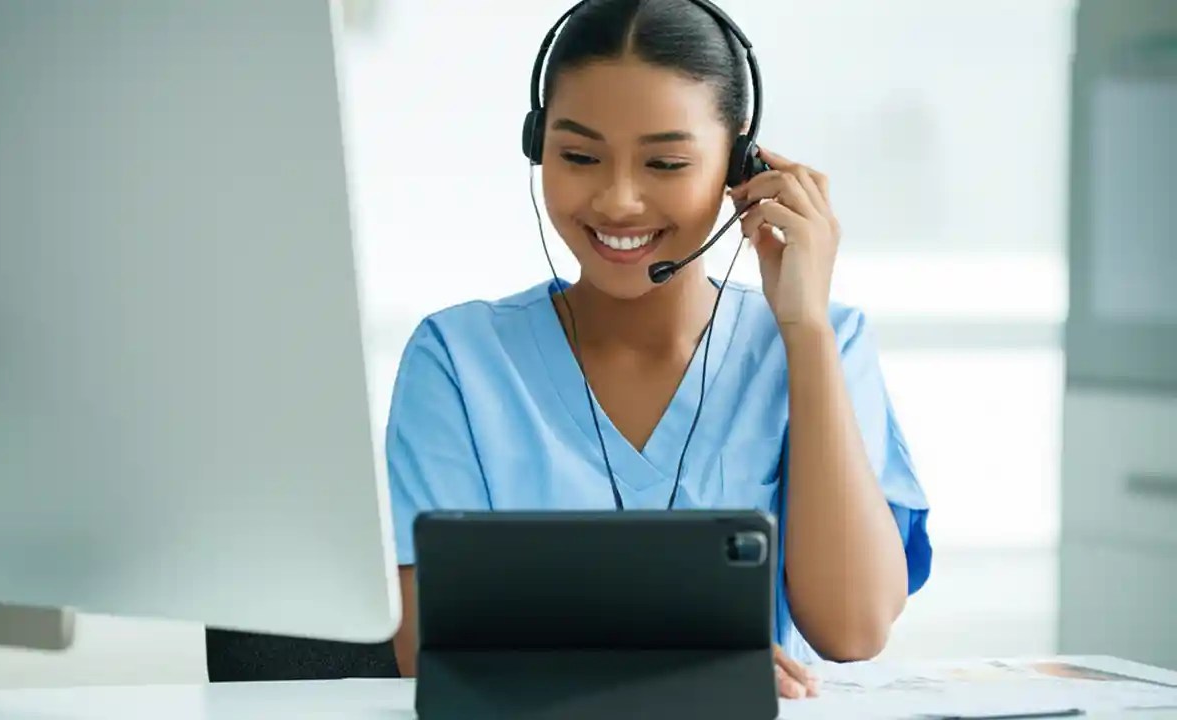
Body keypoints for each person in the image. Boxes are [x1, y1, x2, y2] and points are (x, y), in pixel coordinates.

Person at [382, 0, 932, 700]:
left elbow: (851, 632)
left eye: (666, 162)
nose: (617, 201)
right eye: (578, 156)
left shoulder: (823, 341)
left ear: (740, 164)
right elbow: (428, 650)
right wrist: (660, 669)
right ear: (536, 144)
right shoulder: (457, 361)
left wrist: (805, 331)